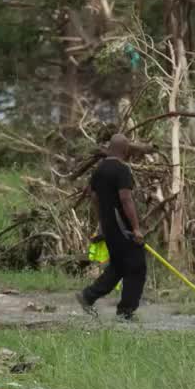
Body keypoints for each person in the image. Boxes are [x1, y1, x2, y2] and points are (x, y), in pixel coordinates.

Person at [77, 133, 147, 320]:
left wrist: (103, 222)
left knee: (118, 266)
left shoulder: (99, 170)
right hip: (123, 229)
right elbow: (125, 198)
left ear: (110, 148)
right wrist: (136, 228)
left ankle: (88, 296)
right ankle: (125, 311)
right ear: (125, 150)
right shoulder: (122, 169)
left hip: (109, 227)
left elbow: (93, 197)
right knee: (136, 266)